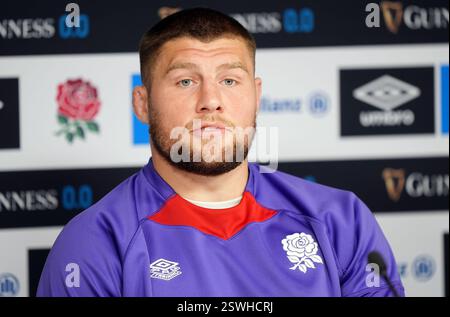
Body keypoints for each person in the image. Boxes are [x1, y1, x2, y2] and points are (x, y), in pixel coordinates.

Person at [37, 7, 404, 297]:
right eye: (185, 81)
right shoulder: (95, 242)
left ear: (256, 96)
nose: (210, 101)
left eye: (229, 80)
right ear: (143, 103)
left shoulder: (342, 221)